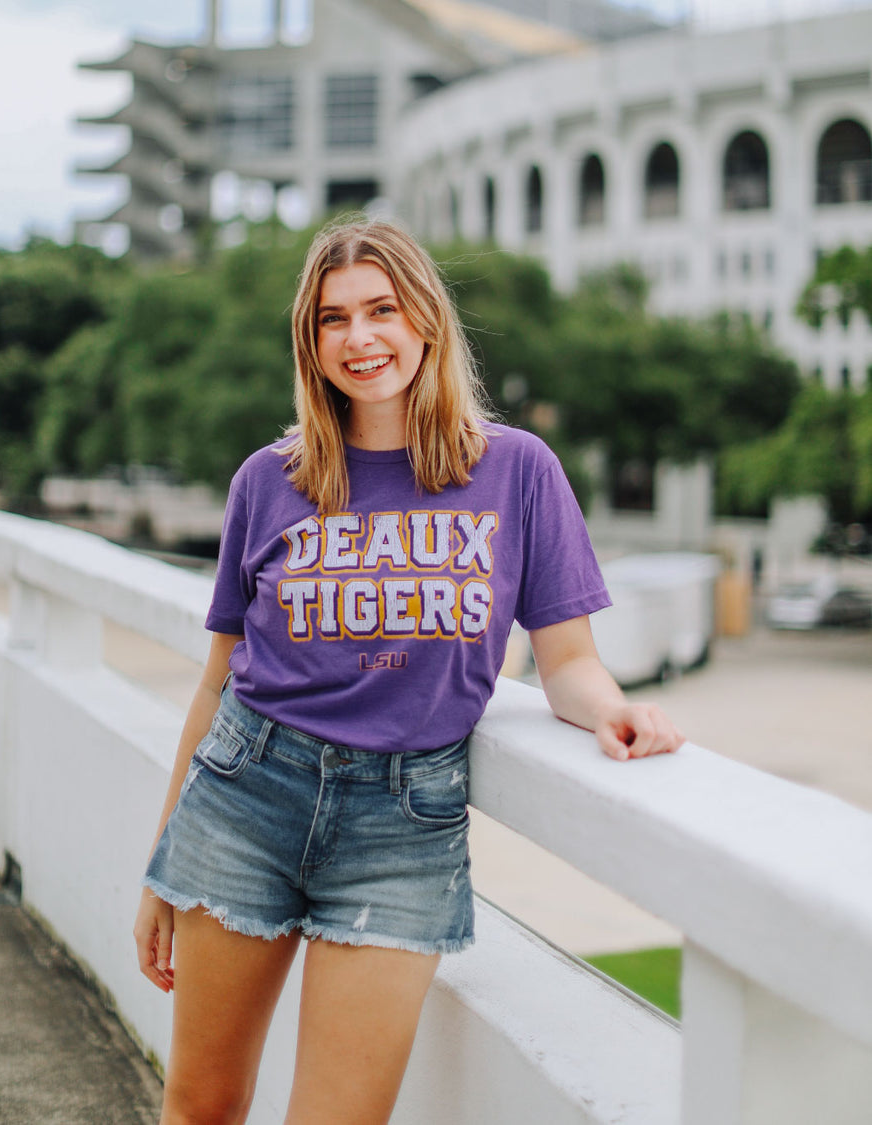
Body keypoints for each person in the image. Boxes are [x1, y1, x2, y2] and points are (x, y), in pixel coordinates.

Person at [133, 218, 684, 1125]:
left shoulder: (517, 471)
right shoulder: (268, 480)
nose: (360, 337)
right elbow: (215, 683)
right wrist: (163, 866)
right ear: (310, 342)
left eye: (381, 309)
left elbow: (569, 661)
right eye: (333, 318)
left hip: (402, 826)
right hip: (245, 797)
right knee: (201, 1108)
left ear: (426, 318)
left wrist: (613, 712)